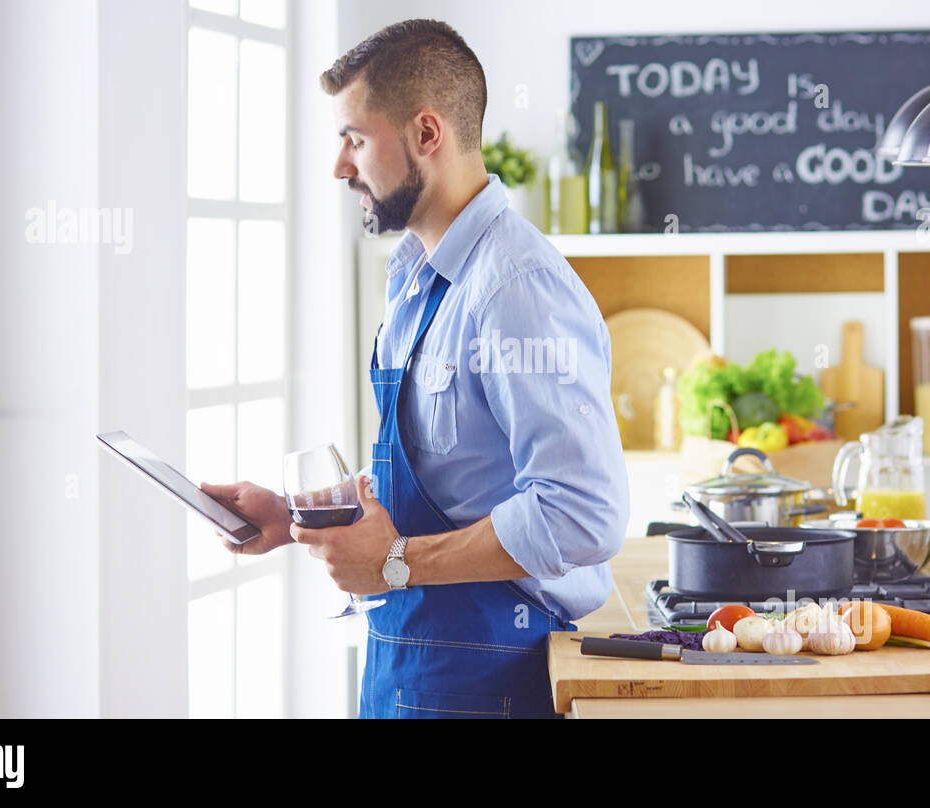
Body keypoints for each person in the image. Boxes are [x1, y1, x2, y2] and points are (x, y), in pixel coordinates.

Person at [200, 18, 628, 719]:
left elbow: (583, 513)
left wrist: (397, 561)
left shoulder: (514, 287)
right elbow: (451, 476)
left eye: (356, 138)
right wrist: (295, 517)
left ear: (427, 134)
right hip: (411, 670)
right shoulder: (419, 278)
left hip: (493, 683)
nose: (341, 165)